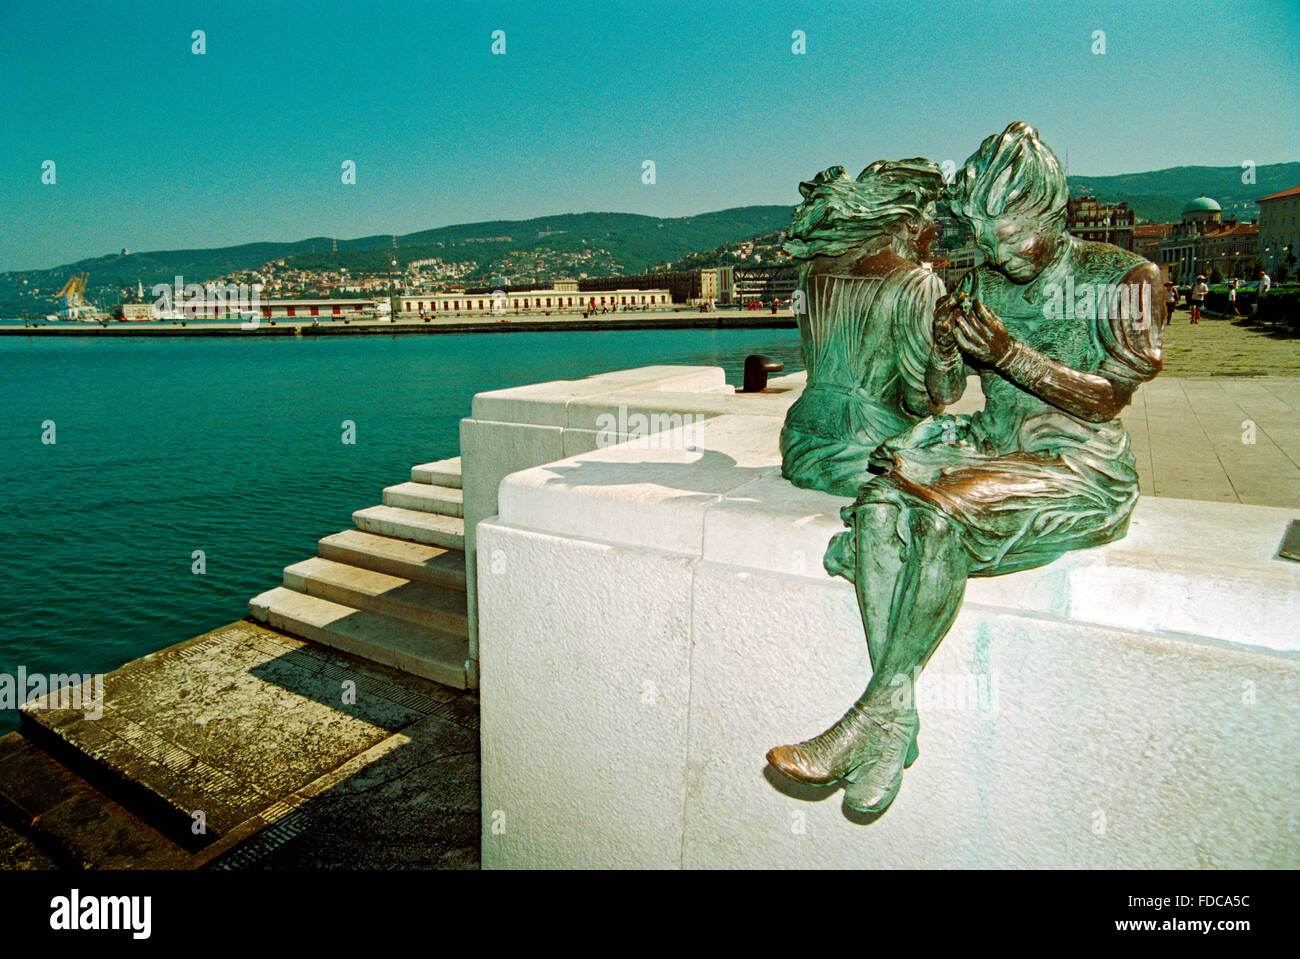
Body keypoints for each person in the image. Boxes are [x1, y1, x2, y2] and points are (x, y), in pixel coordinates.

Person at [767, 122, 1165, 816]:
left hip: (1076, 462)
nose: (997, 254)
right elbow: (947, 385)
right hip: (990, 443)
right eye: (984, 238)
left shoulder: (1126, 280)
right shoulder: (980, 277)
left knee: (940, 509)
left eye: (1013, 236)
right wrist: (947, 346)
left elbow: (1107, 400)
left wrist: (1012, 356)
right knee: (883, 499)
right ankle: (891, 715)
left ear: (1055, 213)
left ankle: (880, 715)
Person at [779, 159, 949, 496]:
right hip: (871, 448)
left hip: (800, 437)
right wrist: (948, 360)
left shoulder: (809, 273)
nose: (936, 232)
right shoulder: (918, 284)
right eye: (933, 220)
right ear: (911, 224)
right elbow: (921, 402)